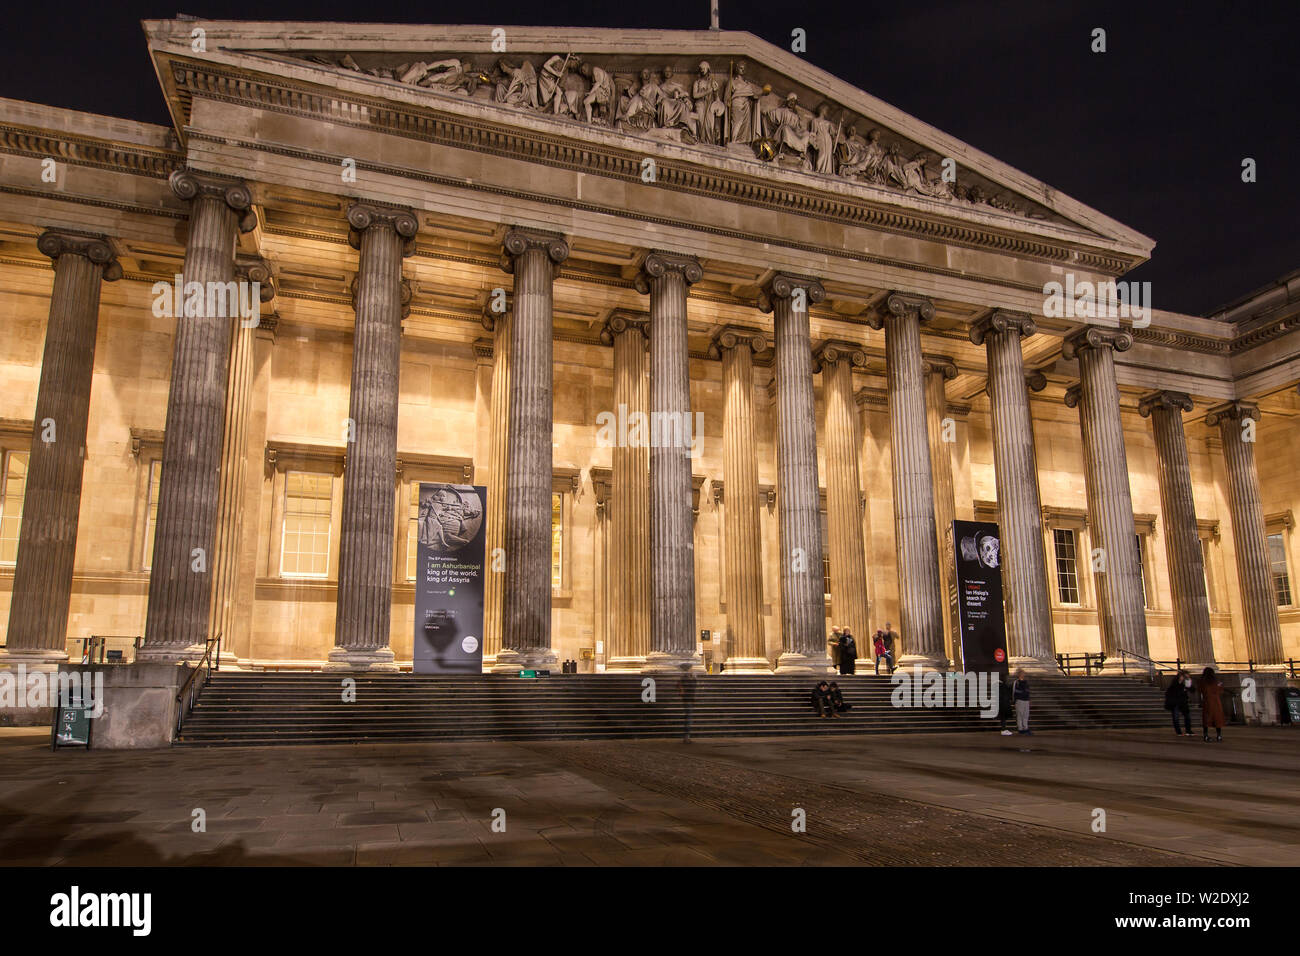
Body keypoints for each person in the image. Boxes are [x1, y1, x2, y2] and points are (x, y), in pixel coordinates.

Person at [1199, 666, 1225, 742]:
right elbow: (1220, 691)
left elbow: (1200, 690)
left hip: (1207, 702)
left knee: (1206, 719)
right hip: (1216, 702)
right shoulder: (1215, 681)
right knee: (1217, 719)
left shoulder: (1202, 681)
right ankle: (1219, 735)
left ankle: (1206, 735)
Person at [1164, 669, 1193, 737]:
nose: (1183, 678)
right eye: (1182, 676)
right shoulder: (1174, 684)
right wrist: (1182, 691)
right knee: (1176, 718)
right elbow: (1173, 693)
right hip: (1175, 703)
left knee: (1187, 717)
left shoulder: (1184, 683)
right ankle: (1178, 731)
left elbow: (1191, 689)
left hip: (1183, 702)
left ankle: (1188, 730)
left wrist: (1188, 680)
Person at [678, 663, 697, 742]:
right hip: (687, 699)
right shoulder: (685, 678)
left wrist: (694, 679)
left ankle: (687, 736)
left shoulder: (690, 677)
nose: (692, 669)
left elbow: (694, 687)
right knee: (688, 717)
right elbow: (690, 687)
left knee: (688, 717)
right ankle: (686, 736)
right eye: (690, 668)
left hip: (689, 698)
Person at [1011, 668, 1031, 735]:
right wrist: (1014, 700)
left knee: (1026, 715)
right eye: (1022, 673)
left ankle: (1025, 728)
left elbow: (1028, 691)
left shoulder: (1026, 682)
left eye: (1024, 673)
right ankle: (1020, 728)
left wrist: (1028, 698)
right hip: (1020, 700)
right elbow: (1014, 692)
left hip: (1026, 700)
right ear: (1019, 674)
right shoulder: (1016, 682)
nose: (1023, 674)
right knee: (1020, 715)